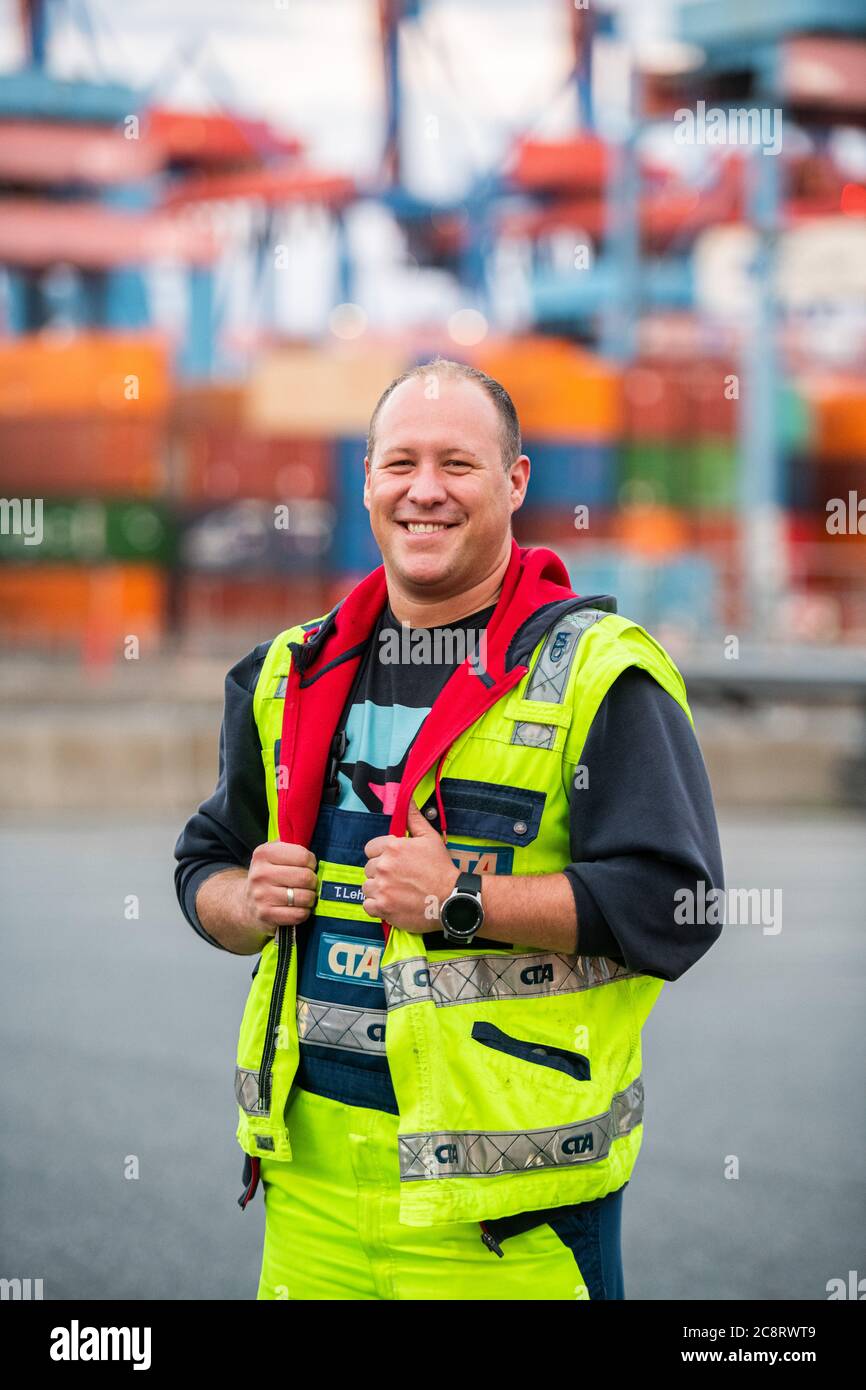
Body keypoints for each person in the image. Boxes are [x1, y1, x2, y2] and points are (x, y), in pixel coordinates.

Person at [173, 356, 724, 1301]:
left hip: (510, 1218)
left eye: (458, 465)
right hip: (306, 1194)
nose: (424, 491)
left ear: (515, 483)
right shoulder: (286, 673)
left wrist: (461, 899)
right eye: (400, 464)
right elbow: (206, 865)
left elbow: (677, 906)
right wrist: (243, 903)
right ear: (367, 481)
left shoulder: (598, 674)